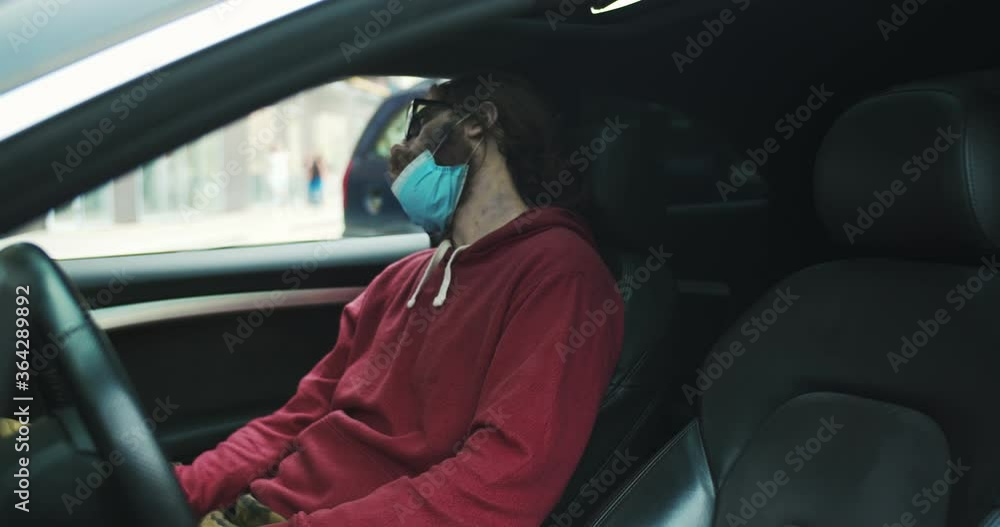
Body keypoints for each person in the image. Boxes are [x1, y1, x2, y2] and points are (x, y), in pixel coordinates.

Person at [176, 72, 626, 526]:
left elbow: (499, 481)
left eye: (419, 122)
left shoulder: (559, 275)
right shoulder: (400, 279)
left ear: (477, 125)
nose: (399, 153)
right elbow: (293, 422)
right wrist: (184, 490)